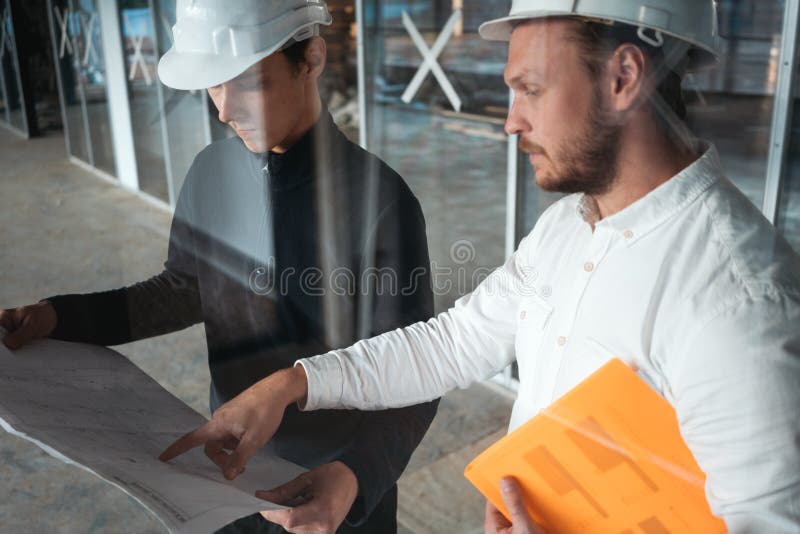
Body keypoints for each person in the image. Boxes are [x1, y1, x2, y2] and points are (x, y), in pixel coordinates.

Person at [158, 0, 800, 532]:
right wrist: (292, 384)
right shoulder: (568, 230)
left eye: (530, 89)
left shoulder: (737, 301)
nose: (510, 123)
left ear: (623, 77)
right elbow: (453, 342)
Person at [0, 1, 439, 532]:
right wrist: (59, 318)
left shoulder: (380, 202)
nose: (225, 110)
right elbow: (183, 289)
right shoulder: (212, 173)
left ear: (311, 59)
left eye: (247, 83)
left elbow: (417, 376)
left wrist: (354, 476)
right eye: (213, 85)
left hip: (331, 492)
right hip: (226, 474)